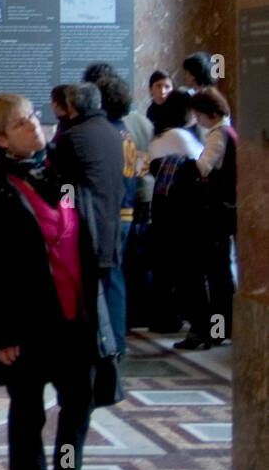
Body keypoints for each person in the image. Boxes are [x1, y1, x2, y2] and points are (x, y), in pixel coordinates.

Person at [0, 93, 110, 470]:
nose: (35, 127)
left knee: (78, 403)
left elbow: (85, 237)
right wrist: (2, 335)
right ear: (0, 139)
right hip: (29, 324)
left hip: (77, 315)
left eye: (34, 118)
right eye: (22, 124)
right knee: (29, 413)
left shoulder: (61, 175)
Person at [50, 82, 126, 358]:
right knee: (113, 283)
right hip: (111, 219)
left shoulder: (74, 136)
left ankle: (98, 348)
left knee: (91, 293)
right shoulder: (112, 131)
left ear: (72, 107)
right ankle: (116, 343)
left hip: (87, 224)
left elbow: (59, 181)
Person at [180, 88, 238, 349]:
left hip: (214, 215)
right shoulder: (231, 130)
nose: (198, 120)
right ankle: (220, 328)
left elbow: (203, 167)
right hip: (225, 214)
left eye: (199, 114)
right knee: (221, 273)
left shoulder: (218, 135)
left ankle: (211, 330)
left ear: (210, 113)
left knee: (212, 274)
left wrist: (187, 162)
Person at [145, 91, 203, 333]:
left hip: (162, 214)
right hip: (182, 214)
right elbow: (203, 162)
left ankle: (166, 319)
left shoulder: (160, 136)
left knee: (165, 271)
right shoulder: (180, 136)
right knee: (187, 272)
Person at [99, 76, 150, 346]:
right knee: (115, 275)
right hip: (128, 209)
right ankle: (116, 337)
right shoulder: (126, 133)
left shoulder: (105, 133)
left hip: (110, 212)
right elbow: (142, 169)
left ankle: (111, 339)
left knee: (108, 277)